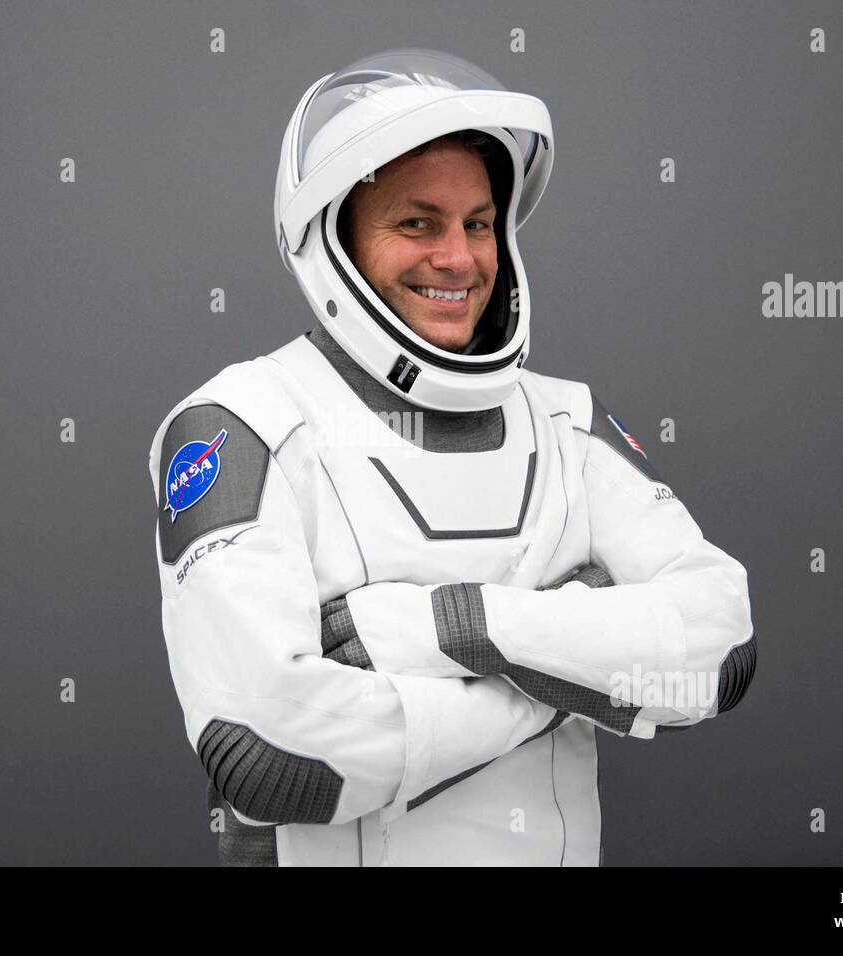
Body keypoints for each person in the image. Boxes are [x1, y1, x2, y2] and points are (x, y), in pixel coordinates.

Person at [149, 48, 757, 866]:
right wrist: (567, 684)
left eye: (479, 223)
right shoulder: (241, 424)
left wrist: (442, 625)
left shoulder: (566, 422)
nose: (460, 259)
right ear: (334, 242)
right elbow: (272, 756)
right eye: (417, 222)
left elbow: (717, 651)